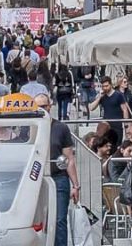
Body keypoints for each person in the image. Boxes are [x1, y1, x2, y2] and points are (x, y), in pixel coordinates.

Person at [39, 90, 78, 246]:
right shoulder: (30, 128)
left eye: (44, 106)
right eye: (38, 107)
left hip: (58, 177)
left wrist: (75, 185)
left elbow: (69, 158)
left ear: (50, 106)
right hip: (37, 178)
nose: (41, 110)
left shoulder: (60, 128)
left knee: (59, 219)